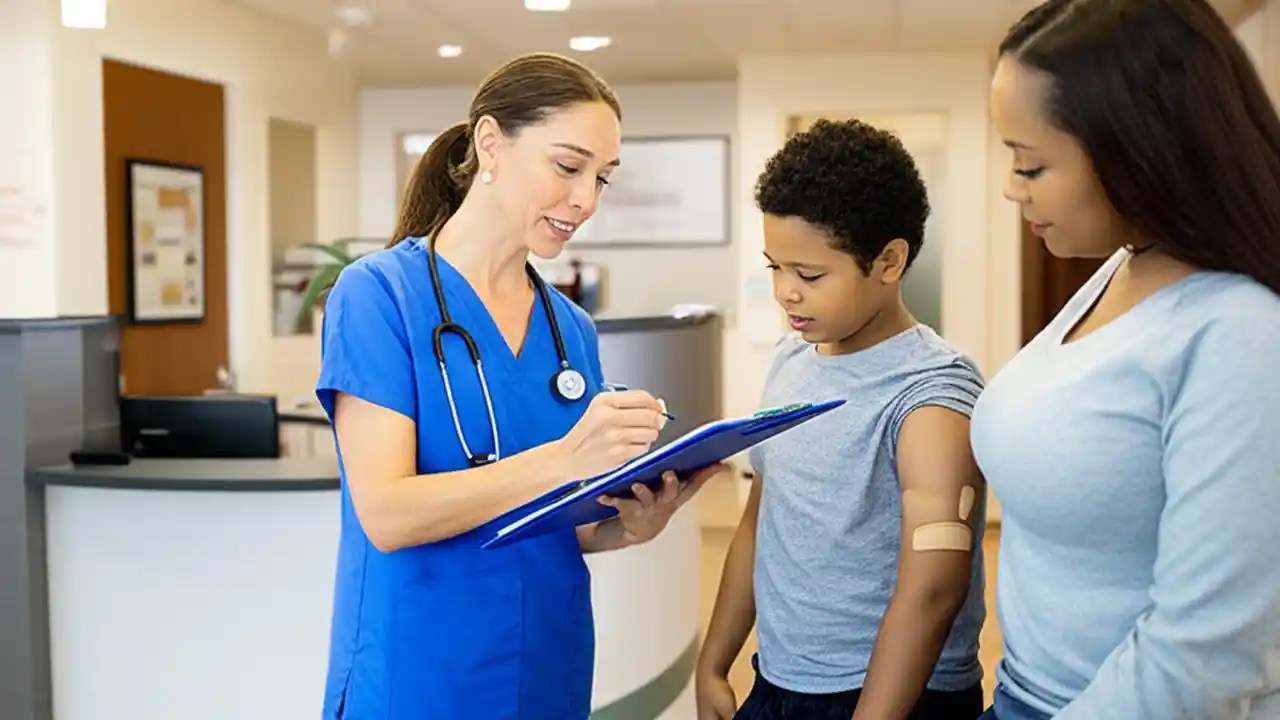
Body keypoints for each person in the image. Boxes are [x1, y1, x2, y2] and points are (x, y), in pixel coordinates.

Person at [314, 52, 720, 720]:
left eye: (602, 178)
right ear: (491, 143)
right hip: (420, 667)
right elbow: (385, 514)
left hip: (546, 660)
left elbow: (562, 522)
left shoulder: (570, 328)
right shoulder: (379, 294)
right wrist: (565, 458)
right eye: (568, 167)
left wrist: (630, 525)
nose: (586, 200)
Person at [976, 1, 1280, 719]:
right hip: (1027, 691)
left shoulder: (1240, 334)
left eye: (1030, 163)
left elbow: (1202, 659)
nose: (1010, 188)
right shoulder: (1121, 266)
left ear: (1138, 148)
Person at [696, 118, 989, 720]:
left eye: (809, 275)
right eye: (775, 267)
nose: (784, 293)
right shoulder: (793, 357)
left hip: (894, 695)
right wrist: (713, 662)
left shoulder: (931, 393)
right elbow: (761, 518)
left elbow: (934, 590)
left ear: (888, 261)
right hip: (780, 681)